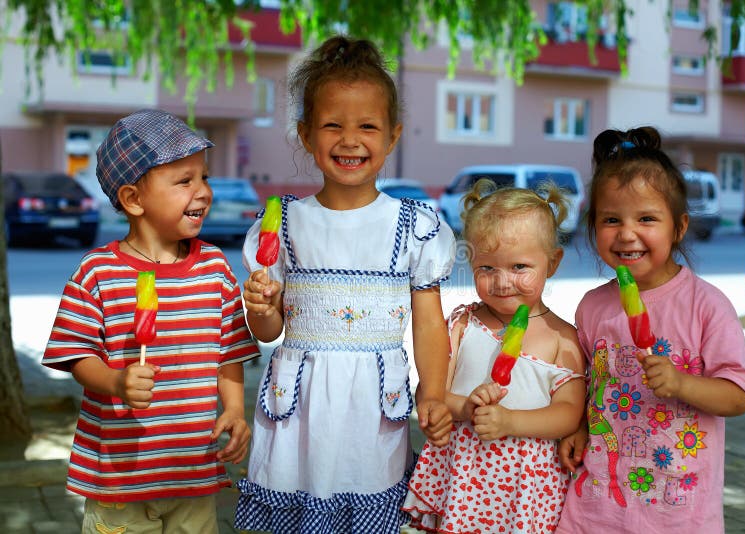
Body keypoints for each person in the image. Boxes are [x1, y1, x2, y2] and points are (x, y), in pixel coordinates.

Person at [234, 36, 456, 533]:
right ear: (307, 134)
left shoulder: (415, 228)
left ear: (393, 136)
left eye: (368, 126)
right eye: (333, 125)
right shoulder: (281, 225)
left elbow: (427, 322)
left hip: (372, 409)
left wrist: (434, 394)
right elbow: (267, 331)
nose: (350, 140)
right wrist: (262, 305)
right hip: (298, 409)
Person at [42, 109, 260, 533]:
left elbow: (229, 351)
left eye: (204, 178)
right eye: (184, 181)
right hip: (121, 478)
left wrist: (234, 409)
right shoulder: (97, 273)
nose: (203, 192)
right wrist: (117, 382)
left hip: (193, 472)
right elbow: (76, 356)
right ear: (133, 200)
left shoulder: (214, 267)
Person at [556, 127, 745, 532]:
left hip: (677, 510)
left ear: (679, 227)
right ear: (593, 227)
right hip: (598, 503)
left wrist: (682, 383)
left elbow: (738, 396)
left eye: (646, 218)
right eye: (611, 219)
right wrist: (576, 427)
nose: (627, 233)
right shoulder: (593, 306)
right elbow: (586, 384)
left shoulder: (706, 305)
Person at [402, 179, 587, 532]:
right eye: (487, 268)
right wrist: (464, 408)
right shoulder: (462, 323)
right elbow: (430, 390)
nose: (502, 282)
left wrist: (510, 422)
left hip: (525, 486)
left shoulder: (563, 338)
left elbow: (568, 414)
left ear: (553, 262)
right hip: (464, 475)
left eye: (519, 267)